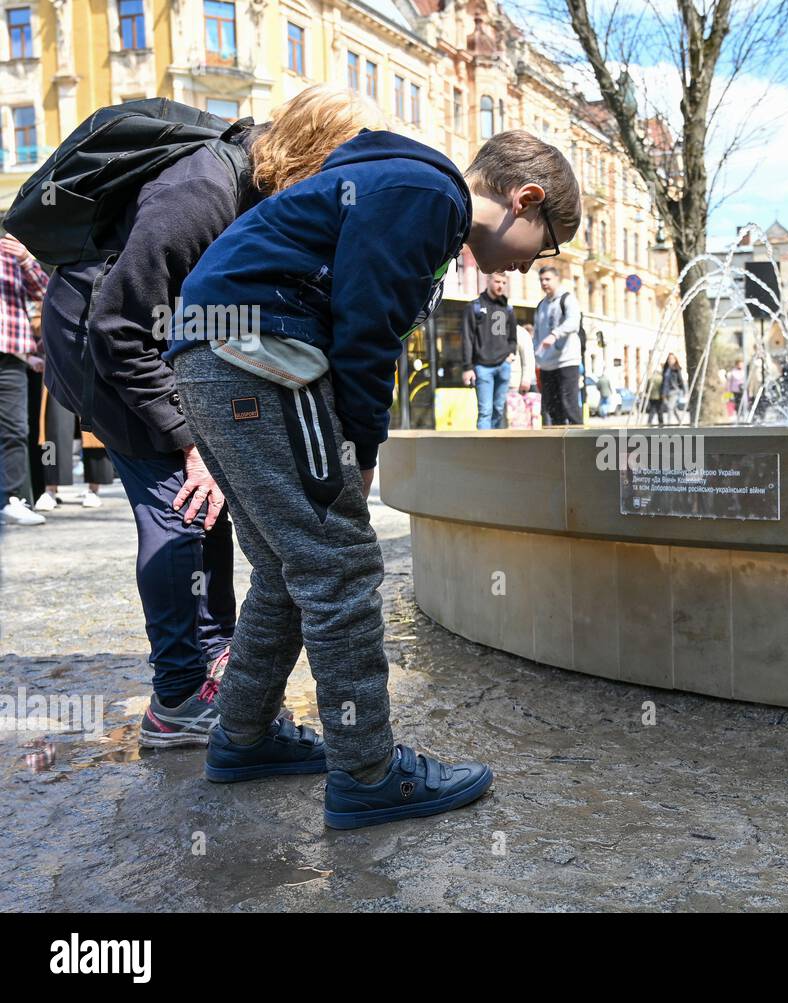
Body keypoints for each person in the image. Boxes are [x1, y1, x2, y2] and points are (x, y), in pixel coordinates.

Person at [165, 128, 580, 829]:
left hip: (214, 355)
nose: (535, 260)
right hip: (263, 355)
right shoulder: (429, 196)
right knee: (340, 562)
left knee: (284, 565)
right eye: (544, 243)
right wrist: (361, 449)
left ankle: (243, 734)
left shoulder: (400, 181)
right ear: (524, 200)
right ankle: (368, 771)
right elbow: (367, 327)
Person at [38, 85, 372, 747]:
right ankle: (180, 697)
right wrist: (189, 436)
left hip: (152, 340)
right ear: (312, 156)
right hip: (103, 347)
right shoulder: (200, 195)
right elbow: (119, 326)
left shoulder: (256, 191)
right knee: (182, 504)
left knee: (210, 500)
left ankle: (213, 669)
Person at [0, 234, 49, 527]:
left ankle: (12, 500)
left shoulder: (10, 254)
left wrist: (25, 259)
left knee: (16, 430)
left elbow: (46, 291)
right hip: (15, 356)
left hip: (11, 356)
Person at [461, 272, 517, 429]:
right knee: (485, 411)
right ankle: (483, 450)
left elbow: (513, 337)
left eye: (504, 283)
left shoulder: (508, 307)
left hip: (504, 365)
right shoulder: (474, 306)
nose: (501, 286)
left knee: (499, 410)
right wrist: (467, 367)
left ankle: (496, 449)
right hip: (482, 367)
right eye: (497, 281)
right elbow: (467, 338)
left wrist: (511, 354)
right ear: (488, 280)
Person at [533, 265, 583, 424]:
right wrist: (537, 354)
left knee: (569, 405)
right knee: (552, 410)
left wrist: (555, 334)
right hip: (547, 365)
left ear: (557, 279)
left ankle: (580, 445)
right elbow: (537, 334)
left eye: (547, 279)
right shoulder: (541, 305)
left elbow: (574, 322)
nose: (544, 283)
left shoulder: (567, 299)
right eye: (541, 280)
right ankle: (559, 447)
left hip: (566, 361)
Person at [661, 352, 687, 424]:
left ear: (675, 360)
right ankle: (680, 422)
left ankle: (669, 424)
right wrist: (662, 393)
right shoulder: (666, 370)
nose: (670, 360)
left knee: (669, 407)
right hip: (667, 392)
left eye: (672, 358)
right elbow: (664, 382)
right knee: (674, 408)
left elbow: (680, 380)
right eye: (669, 358)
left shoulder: (676, 369)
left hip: (674, 391)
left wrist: (684, 391)